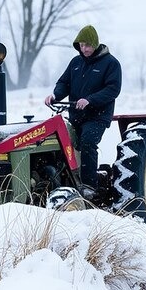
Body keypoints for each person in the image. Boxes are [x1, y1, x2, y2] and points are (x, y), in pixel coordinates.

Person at [44, 25, 122, 199]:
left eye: (87, 45)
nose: (84, 49)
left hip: (97, 117)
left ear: (95, 44)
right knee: (60, 144)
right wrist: (55, 95)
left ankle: (89, 187)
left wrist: (90, 100)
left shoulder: (110, 63)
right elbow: (64, 83)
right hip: (76, 116)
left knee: (87, 143)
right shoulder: (76, 63)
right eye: (81, 45)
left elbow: (113, 89)